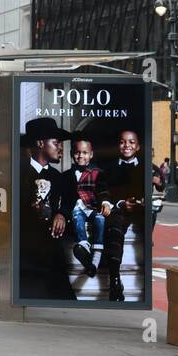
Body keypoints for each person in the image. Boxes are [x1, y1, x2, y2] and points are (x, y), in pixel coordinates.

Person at [16, 117, 75, 301]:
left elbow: (69, 199)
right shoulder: (18, 172)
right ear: (41, 143)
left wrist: (61, 214)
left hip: (51, 253)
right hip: (25, 251)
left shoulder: (58, 177)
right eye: (56, 142)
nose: (61, 147)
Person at [97, 129, 147, 303]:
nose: (127, 145)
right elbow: (103, 192)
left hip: (141, 210)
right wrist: (119, 203)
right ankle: (115, 280)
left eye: (131, 142)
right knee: (114, 229)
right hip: (119, 209)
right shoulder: (107, 170)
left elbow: (159, 182)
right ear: (118, 146)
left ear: (138, 146)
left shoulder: (146, 167)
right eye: (123, 142)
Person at [63, 137, 106, 278]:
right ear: (71, 153)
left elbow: (103, 191)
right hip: (76, 209)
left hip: (92, 207)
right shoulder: (66, 176)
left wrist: (105, 202)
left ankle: (96, 256)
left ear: (91, 154)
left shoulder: (98, 173)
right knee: (76, 216)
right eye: (77, 152)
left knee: (100, 219)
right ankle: (84, 246)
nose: (80, 156)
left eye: (84, 153)